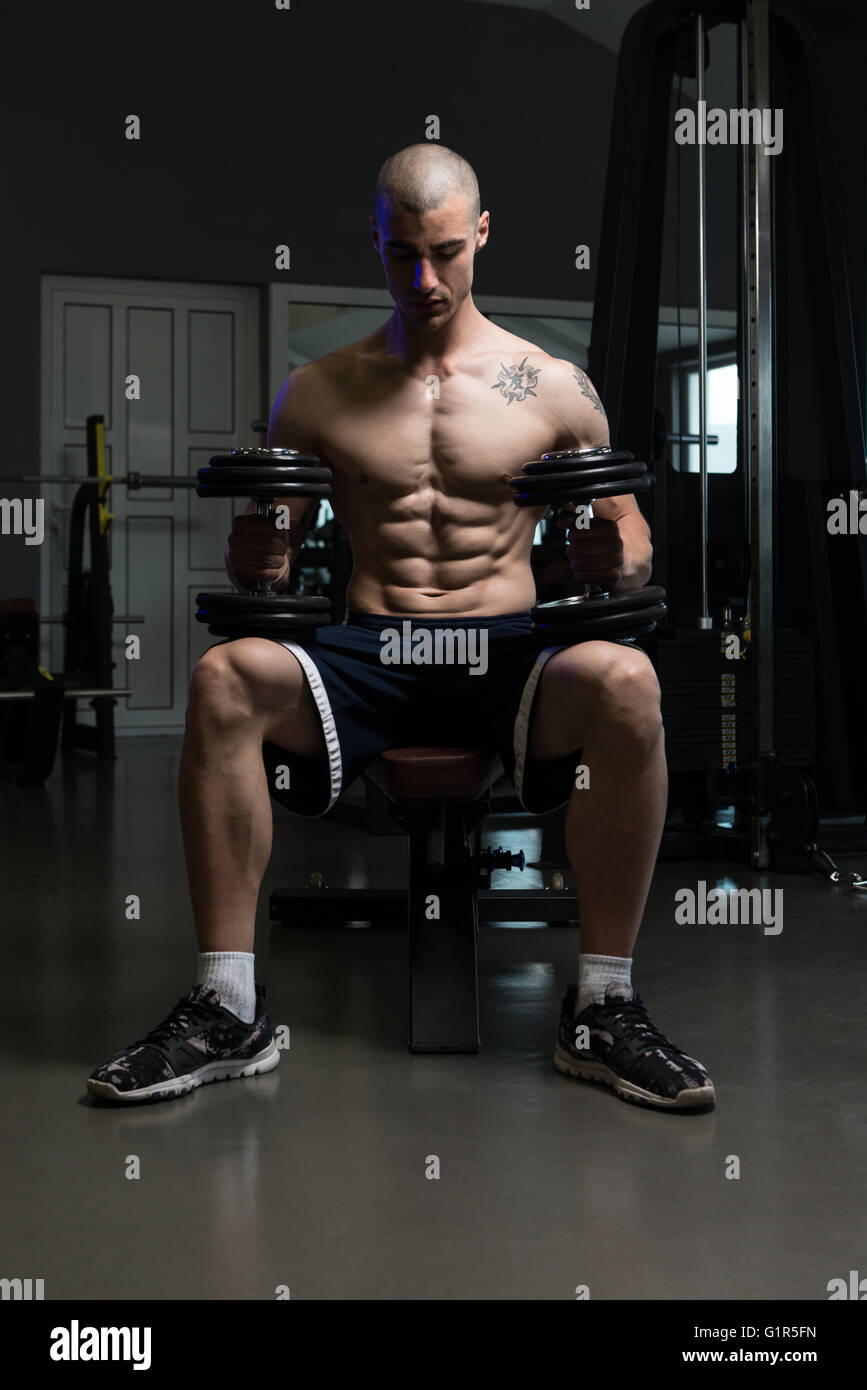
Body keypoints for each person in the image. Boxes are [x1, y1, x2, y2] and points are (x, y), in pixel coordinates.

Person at [88, 144, 713, 1111]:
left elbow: (625, 534)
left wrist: (620, 559)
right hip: (373, 650)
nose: (424, 279)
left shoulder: (551, 385)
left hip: (504, 651)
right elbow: (274, 543)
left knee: (628, 680)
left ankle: (602, 1005)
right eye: (401, 256)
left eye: (447, 252)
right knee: (224, 676)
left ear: (483, 236)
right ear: (374, 244)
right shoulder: (318, 390)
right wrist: (260, 557)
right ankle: (227, 1003)